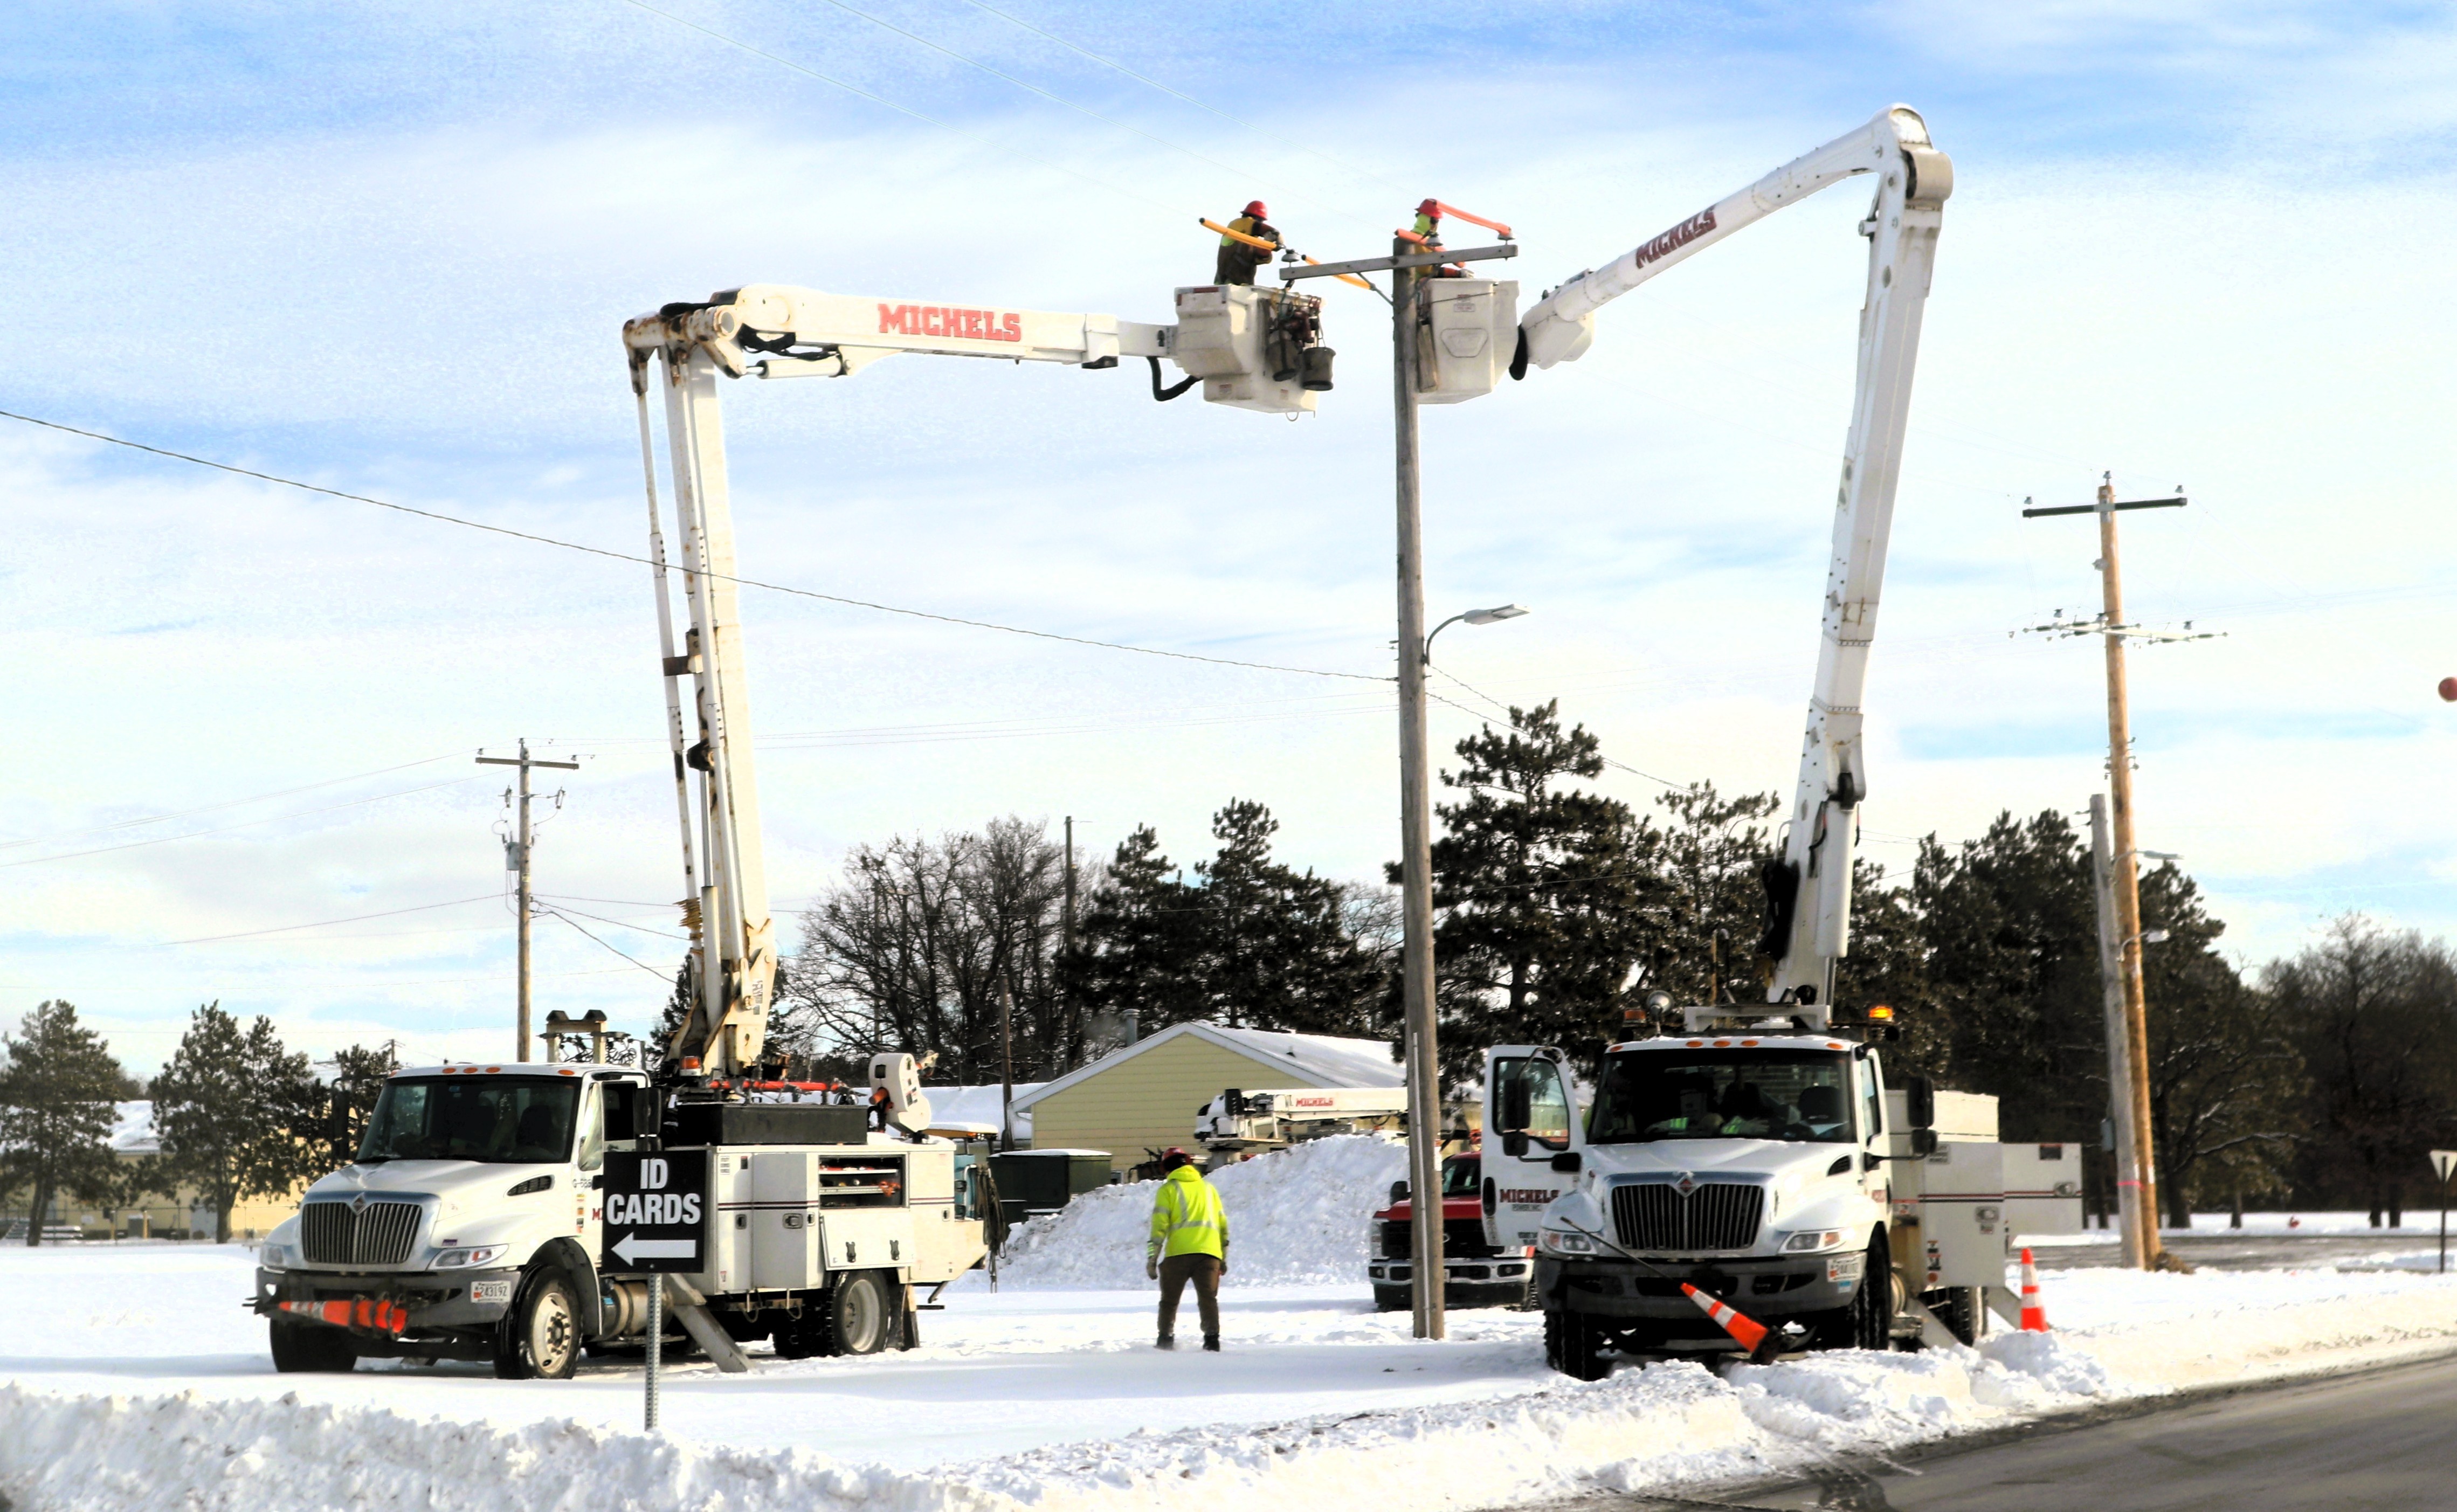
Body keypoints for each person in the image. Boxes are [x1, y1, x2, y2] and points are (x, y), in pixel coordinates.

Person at [1147, 1147, 1229, 1350]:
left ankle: (1165, 1341)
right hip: (1210, 1255)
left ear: (1166, 1168)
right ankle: (1212, 1341)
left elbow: (1159, 1228)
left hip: (1178, 1255)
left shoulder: (1168, 1191)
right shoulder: (1209, 1189)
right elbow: (1222, 1226)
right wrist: (1223, 1258)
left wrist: (1152, 1259)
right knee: (1208, 1299)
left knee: (1169, 1302)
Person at [1215, 201, 1279, 286]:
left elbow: (1263, 258)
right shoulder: (1236, 225)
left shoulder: (1252, 242)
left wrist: (1268, 245)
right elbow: (1257, 227)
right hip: (1227, 283)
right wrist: (1276, 234)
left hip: (1242, 288)